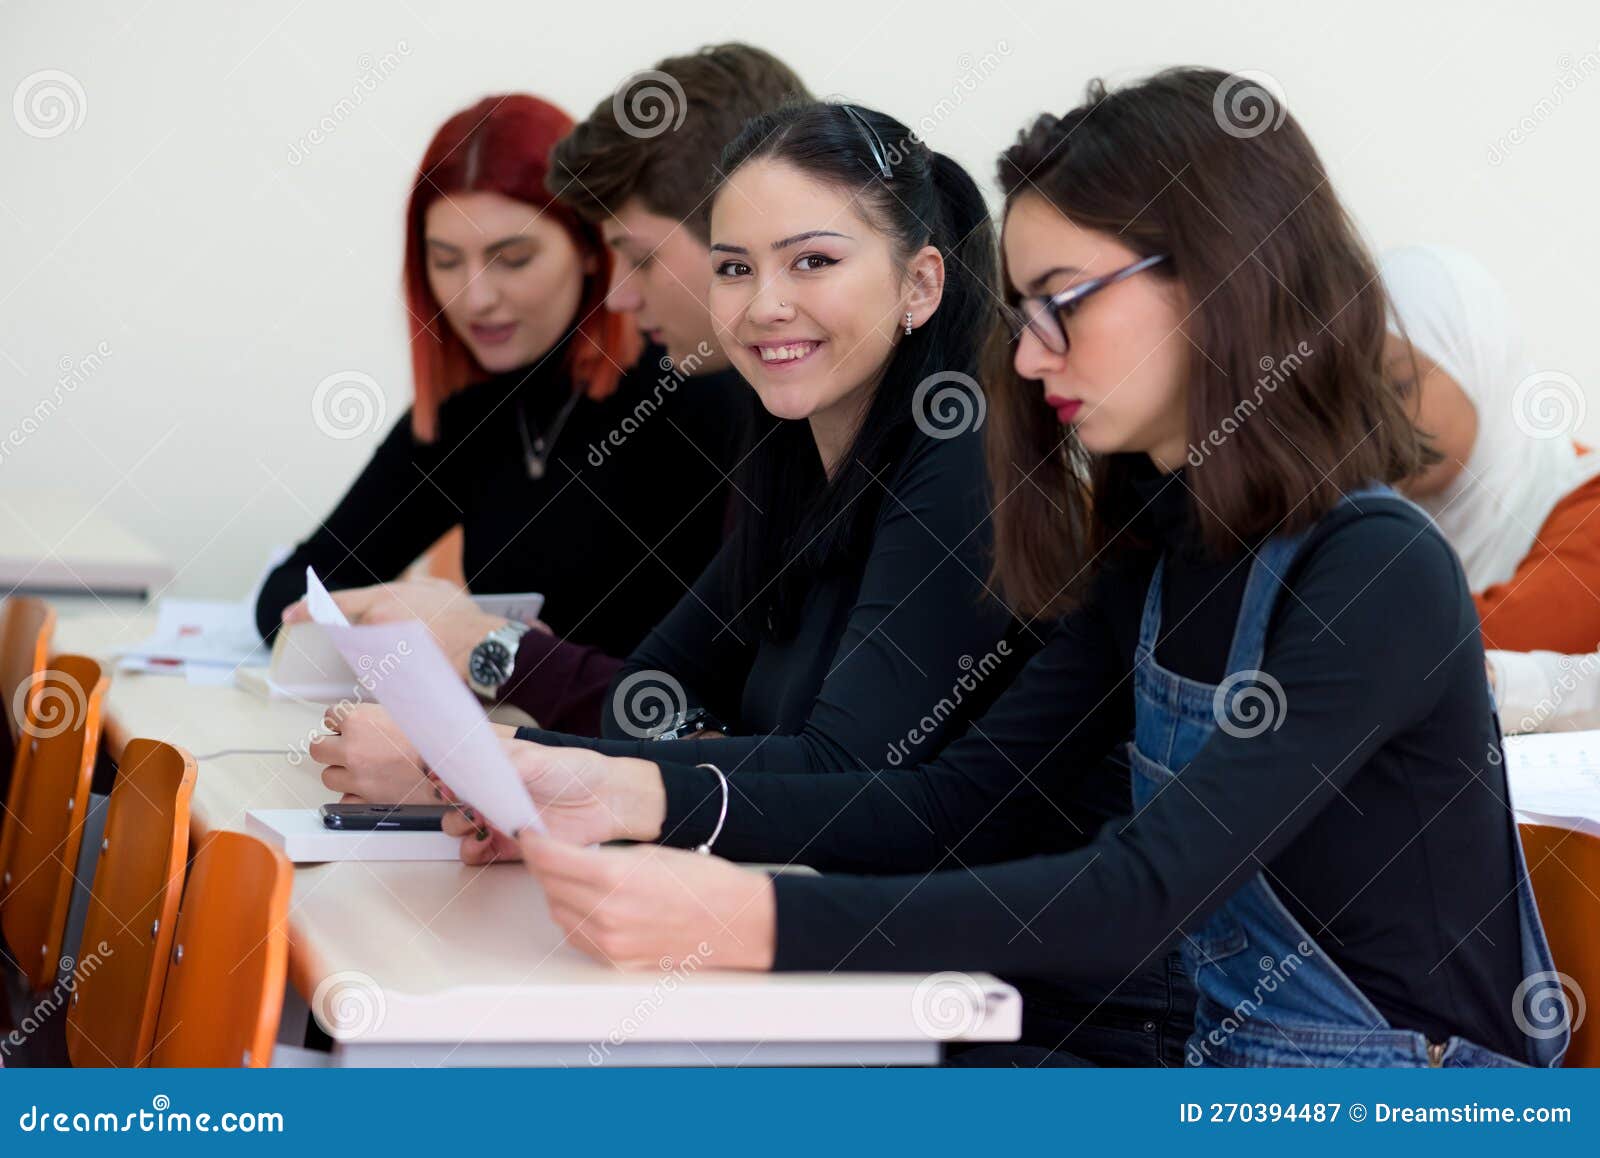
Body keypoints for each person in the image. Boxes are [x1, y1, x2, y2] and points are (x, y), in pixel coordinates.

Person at [452, 69, 1567, 1069]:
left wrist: (750, 921)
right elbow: (954, 801)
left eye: (1062, 304)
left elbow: (1142, 892)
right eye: (1025, 313)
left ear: (1221, 277)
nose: (1029, 355)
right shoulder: (1158, 542)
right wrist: (617, 786)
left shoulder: (1377, 570)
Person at [315, 100, 1024, 800]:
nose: (763, 306)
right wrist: (672, 754)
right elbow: (648, 695)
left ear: (921, 283)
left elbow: (842, 777)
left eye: (813, 260)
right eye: (735, 269)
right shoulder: (793, 450)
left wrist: (467, 760)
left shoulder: (966, 455)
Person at [258, 93, 746, 720]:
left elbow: (721, 694)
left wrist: (491, 648)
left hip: (640, 763)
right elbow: (288, 599)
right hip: (514, 753)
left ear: (591, 248)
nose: (476, 298)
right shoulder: (471, 410)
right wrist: (416, 622)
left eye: (512, 259)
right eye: (445, 261)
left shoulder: (698, 384)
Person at [1382, 243, 1600, 654]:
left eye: (1399, 388)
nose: (1378, 422)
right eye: (1360, 400)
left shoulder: (1589, 501)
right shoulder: (1374, 521)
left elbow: (1489, 647)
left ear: (1480, 361)